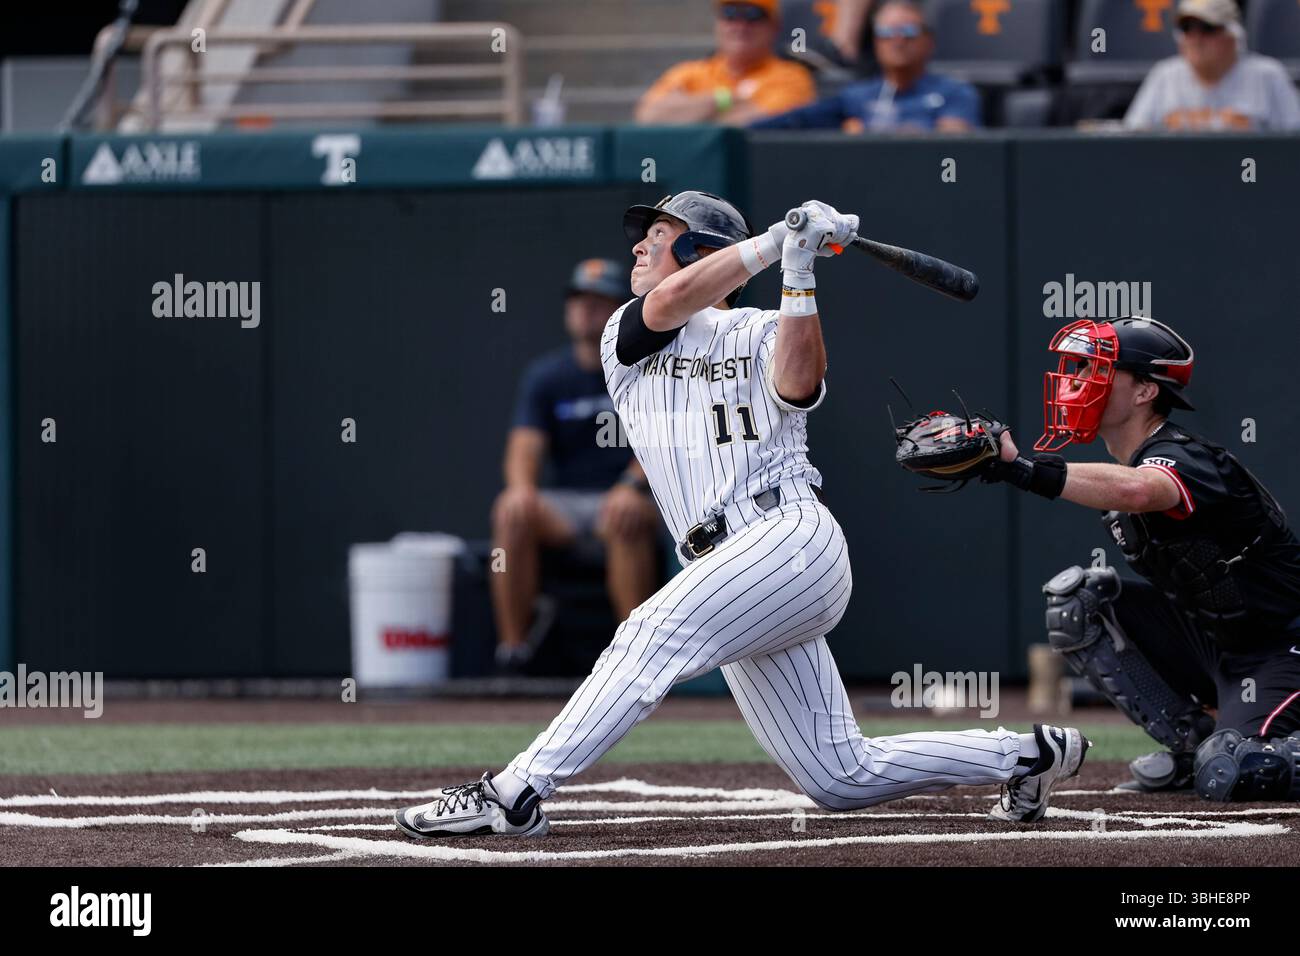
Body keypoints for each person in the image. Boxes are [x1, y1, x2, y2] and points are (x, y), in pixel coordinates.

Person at [395, 190, 1088, 839]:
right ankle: (1026, 753)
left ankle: (513, 794)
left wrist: (798, 268)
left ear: (700, 251)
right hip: (728, 569)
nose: (638, 248)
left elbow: (798, 380)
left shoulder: (764, 328)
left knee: (649, 633)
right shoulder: (625, 337)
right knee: (840, 775)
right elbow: (669, 301)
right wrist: (778, 239)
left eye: (658, 237)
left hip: (788, 540)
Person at [983, 317, 1300, 801]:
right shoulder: (1124, 469)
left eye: (1095, 368)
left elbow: (1142, 488)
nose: (1075, 380)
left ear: (1145, 391)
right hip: (1218, 644)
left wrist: (1023, 470)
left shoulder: (1185, 457)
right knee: (1080, 602)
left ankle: (1239, 751)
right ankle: (1195, 747)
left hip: (1282, 650)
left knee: (1242, 773)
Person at [490, 259, 660, 674]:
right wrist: (521, 490)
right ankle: (514, 654)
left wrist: (630, 485)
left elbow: (660, 439)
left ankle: (635, 664)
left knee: (624, 515)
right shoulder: (547, 376)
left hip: (638, 497)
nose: (586, 310)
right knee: (510, 512)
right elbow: (523, 446)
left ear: (622, 308)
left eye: (599, 302)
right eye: (580, 301)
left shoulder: (644, 366)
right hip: (569, 505)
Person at [751, 0, 980, 132]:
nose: (897, 40)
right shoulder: (857, 96)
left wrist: (869, 136)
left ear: (929, 41)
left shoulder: (954, 92)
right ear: (876, 43)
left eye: (908, 32)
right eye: (886, 33)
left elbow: (953, 145)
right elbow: (796, 120)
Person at [1124, 0, 1300, 131]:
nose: (1196, 39)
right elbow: (1133, 139)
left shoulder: (1267, 75)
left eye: (1207, 28)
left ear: (1232, 36)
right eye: (1187, 28)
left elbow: (1293, 142)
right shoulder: (1164, 75)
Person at [635, 0, 815, 126]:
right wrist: (724, 99)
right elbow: (648, 116)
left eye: (753, 15)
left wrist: (687, 112)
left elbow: (764, 124)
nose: (740, 25)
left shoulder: (792, 76)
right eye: (730, 14)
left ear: (774, 27)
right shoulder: (689, 72)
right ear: (718, 23)